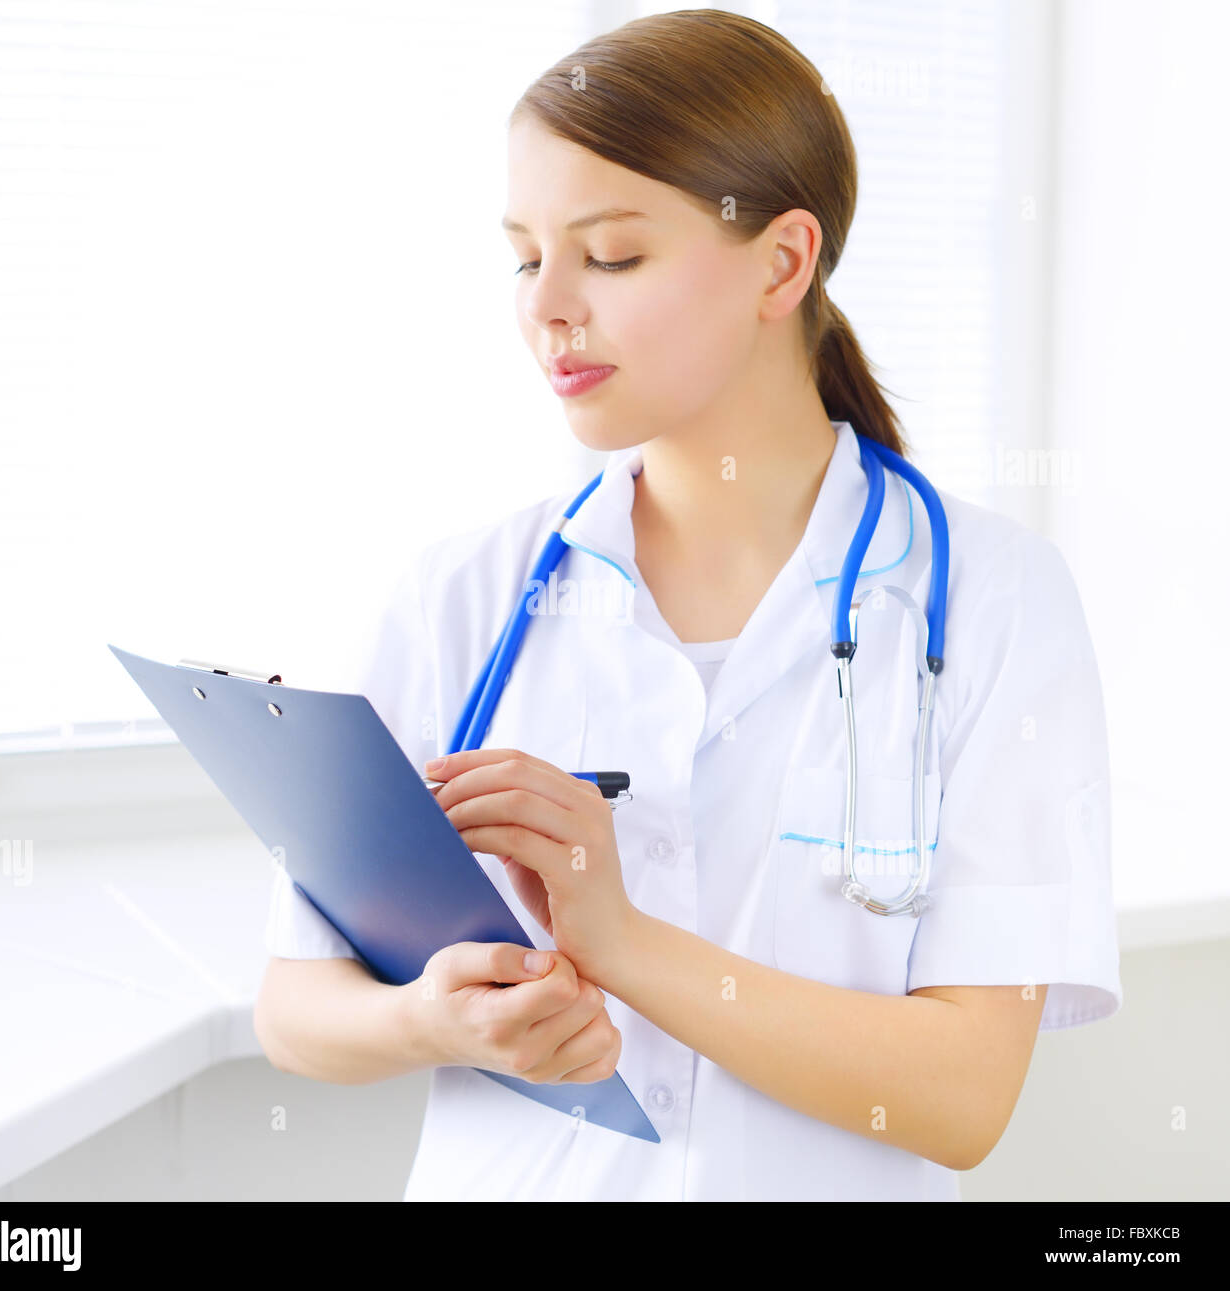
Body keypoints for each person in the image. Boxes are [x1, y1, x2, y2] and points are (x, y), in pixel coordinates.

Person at [254, 9, 1122, 1201]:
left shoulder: (988, 602)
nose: (548, 305)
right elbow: (295, 1003)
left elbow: (961, 1097)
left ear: (781, 260)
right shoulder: (460, 595)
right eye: (525, 254)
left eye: (611, 254)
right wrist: (431, 1023)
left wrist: (625, 946)